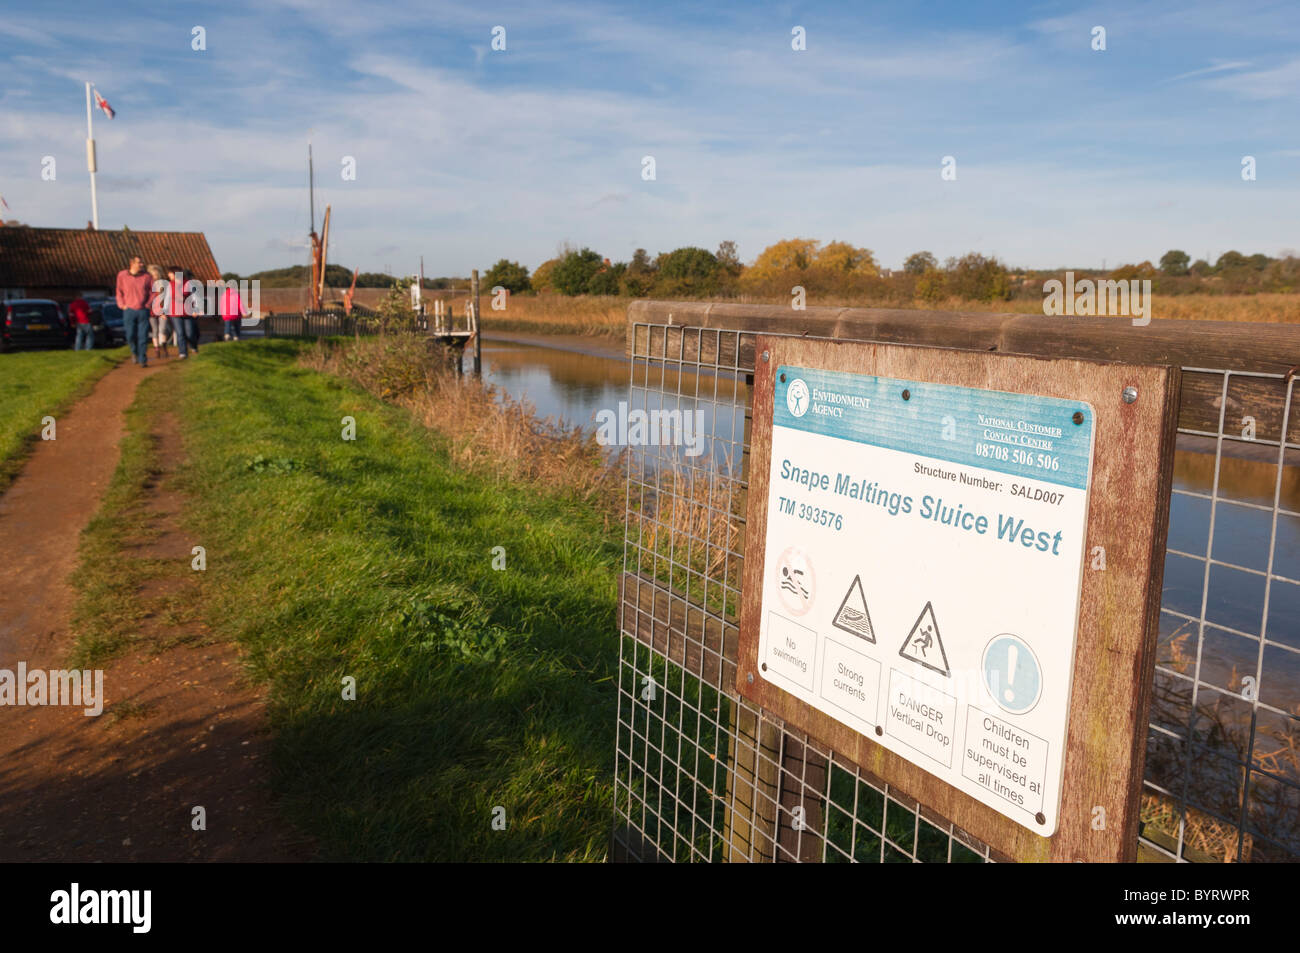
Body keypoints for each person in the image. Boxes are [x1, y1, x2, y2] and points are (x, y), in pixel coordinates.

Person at [115, 255, 153, 366]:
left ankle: (142, 359)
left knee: (143, 336)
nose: (142, 264)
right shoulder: (122, 275)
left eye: (142, 263)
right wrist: (121, 305)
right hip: (129, 310)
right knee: (130, 335)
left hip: (143, 310)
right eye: (139, 263)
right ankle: (134, 352)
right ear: (132, 263)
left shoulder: (147, 276)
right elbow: (119, 291)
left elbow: (153, 292)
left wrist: (148, 304)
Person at [165, 265, 199, 359]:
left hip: (188, 312)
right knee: (180, 333)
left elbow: (195, 297)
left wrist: (196, 309)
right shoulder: (170, 285)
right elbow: (167, 298)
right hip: (175, 313)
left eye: (170, 273)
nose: (168, 275)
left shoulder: (188, 284)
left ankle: (193, 346)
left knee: (190, 333)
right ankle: (183, 352)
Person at [146, 264, 170, 359]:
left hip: (162, 310)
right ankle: (157, 349)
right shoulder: (147, 285)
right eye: (153, 275)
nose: (154, 277)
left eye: (156, 275)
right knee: (154, 330)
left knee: (162, 329)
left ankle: (164, 347)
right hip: (151, 311)